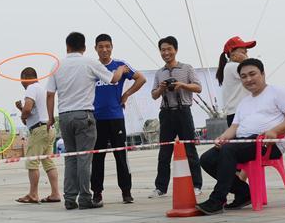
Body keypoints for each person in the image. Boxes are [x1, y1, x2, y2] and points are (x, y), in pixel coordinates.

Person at [196, 59, 285, 215]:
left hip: (267, 144)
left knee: (229, 150)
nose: (248, 79)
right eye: (244, 76)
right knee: (207, 159)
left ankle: (217, 200)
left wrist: (275, 131)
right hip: (243, 142)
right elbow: (234, 127)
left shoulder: (278, 92)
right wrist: (223, 137)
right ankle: (244, 193)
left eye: (252, 74)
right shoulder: (244, 102)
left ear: (263, 74)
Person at [46, 31, 129, 210]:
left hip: (65, 116)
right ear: (84, 48)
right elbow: (114, 79)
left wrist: (50, 117)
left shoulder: (57, 65)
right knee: (84, 158)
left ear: (67, 47)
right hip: (85, 116)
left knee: (70, 158)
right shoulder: (89, 63)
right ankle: (85, 198)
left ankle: (69, 198)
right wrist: (121, 69)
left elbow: (50, 94)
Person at [91, 33, 146, 204]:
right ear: (96, 48)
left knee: (120, 155)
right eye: (101, 46)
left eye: (107, 46)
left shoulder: (120, 65)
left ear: (112, 47)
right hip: (96, 119)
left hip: (115, 117)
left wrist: (126, 95)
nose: (104, 49)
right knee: (97, 158)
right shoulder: (92, 67)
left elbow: (141, 78)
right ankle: (97, 193)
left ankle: (126, 192)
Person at [151, 36, 204, 198]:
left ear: (175, 50)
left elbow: (198, 87)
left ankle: (196, 185)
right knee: (164, 152)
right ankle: (161, 187)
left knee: (190, 149)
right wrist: (161, 89)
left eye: (169, 49)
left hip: (183, 112)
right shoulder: (159, 73)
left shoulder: (186, 68)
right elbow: (154, 95)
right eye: (163, 50)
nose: (166, 53)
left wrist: (182, 85)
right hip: (166, 113)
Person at [15, 67, 61, 204]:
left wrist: (23, 115)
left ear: (25, 78)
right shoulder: (41, 89)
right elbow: (34, 110)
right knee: (48, 162)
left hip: (39, 130)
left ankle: (33, 194)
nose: (21, 83)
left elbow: (28, 108)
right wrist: (21, 109)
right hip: (49, 128)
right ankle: (55, 193)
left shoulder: (31, 88)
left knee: (32, 162)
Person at [217, 36, 256, 126]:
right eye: (242, 50)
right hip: (239, 113)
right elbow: (257, 76)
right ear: (231, 52)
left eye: (246, 50)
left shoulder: (231, 66)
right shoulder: (233, 67)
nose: (246, 52)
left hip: (238, 113)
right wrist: (246, 60)